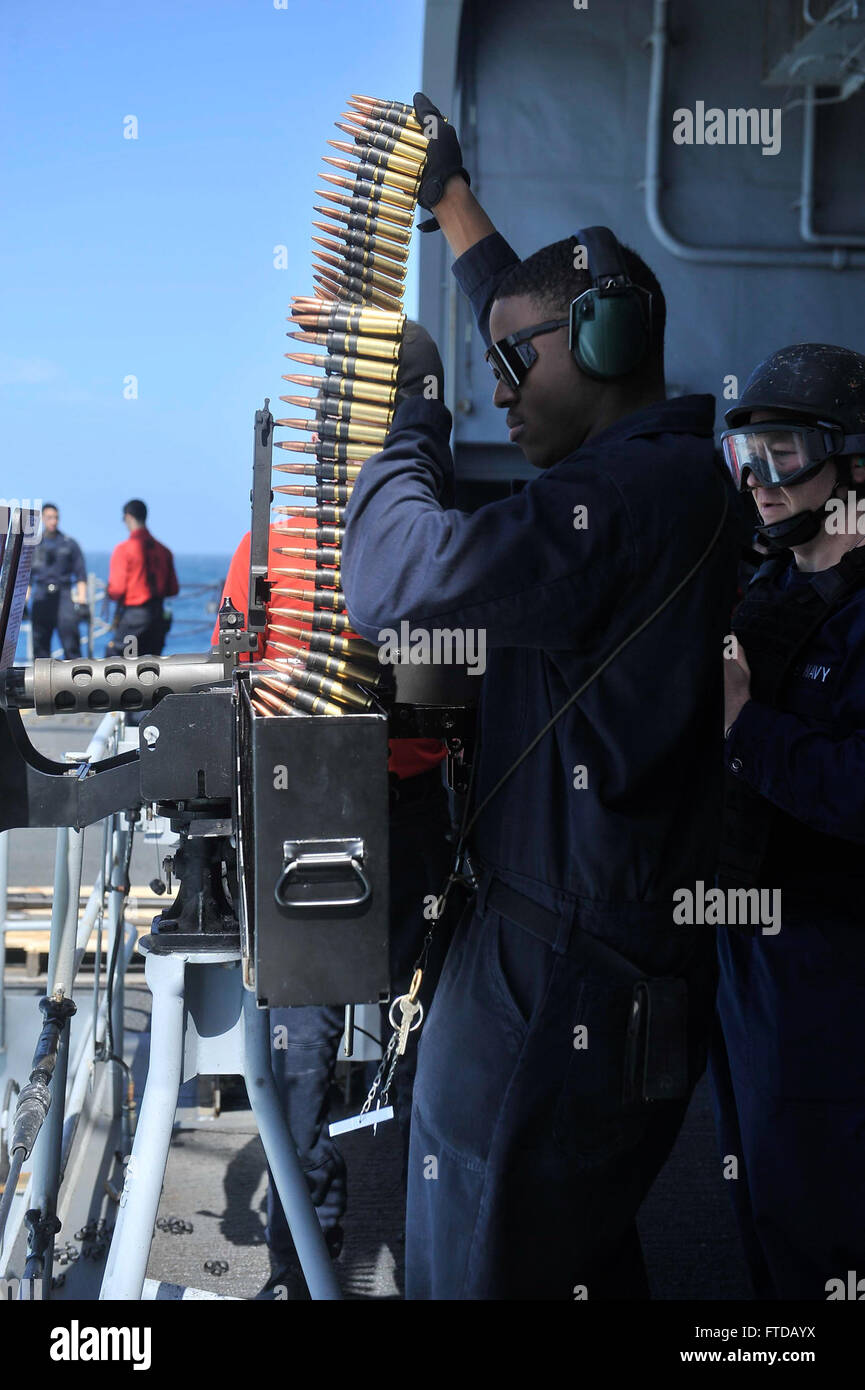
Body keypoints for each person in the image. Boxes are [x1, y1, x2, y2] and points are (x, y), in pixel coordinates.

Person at [340, 94, 741, 1300]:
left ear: (605, 350)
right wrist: (452, 206)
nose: (495, 387)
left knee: (482, 1254)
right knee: (570, 1250)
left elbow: (390, 586)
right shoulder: (671, 474)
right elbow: (542, 320)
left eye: (514, 365)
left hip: (554, 963)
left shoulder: (606, 508)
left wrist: (409, 417)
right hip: (621, 958)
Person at [213, 518, 454, 1295]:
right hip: (322, 810)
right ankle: (315, 1261)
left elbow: (238, 675)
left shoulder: (285, 541)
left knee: (379, 1057)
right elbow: (239, 674)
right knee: (319, 1062)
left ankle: (378, 1257)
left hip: (359, 812)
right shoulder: (415, 537)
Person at [712, 343, 865, 1300]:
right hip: (749, 956)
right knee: (761, 1200)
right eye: (748, 457)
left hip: (834, 964)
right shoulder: (767, 589)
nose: (762, 483)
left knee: (825, 1225)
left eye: (787, 454)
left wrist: (740, 723)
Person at [106, 499, 178, 657]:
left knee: (116, 661)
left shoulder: (123, 550)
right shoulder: (164, 551)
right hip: (158, 618)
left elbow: (117, 590)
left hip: (134, 619)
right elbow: (173, 589)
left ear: (128, 517)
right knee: (152, 667)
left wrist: (109, 591)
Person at [28, 502, 88, 658]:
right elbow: (28, 578)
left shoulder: (70, 544)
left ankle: (76, 680)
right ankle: (42, 682)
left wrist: (82, 602)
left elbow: (81, 575)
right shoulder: (34, 545)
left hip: (64, 596)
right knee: (40, 646)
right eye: (49, 518)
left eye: (56, 518)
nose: (53, 521)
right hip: (41, 596)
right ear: (43, 519)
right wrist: (24, 604)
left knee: (71, 644)